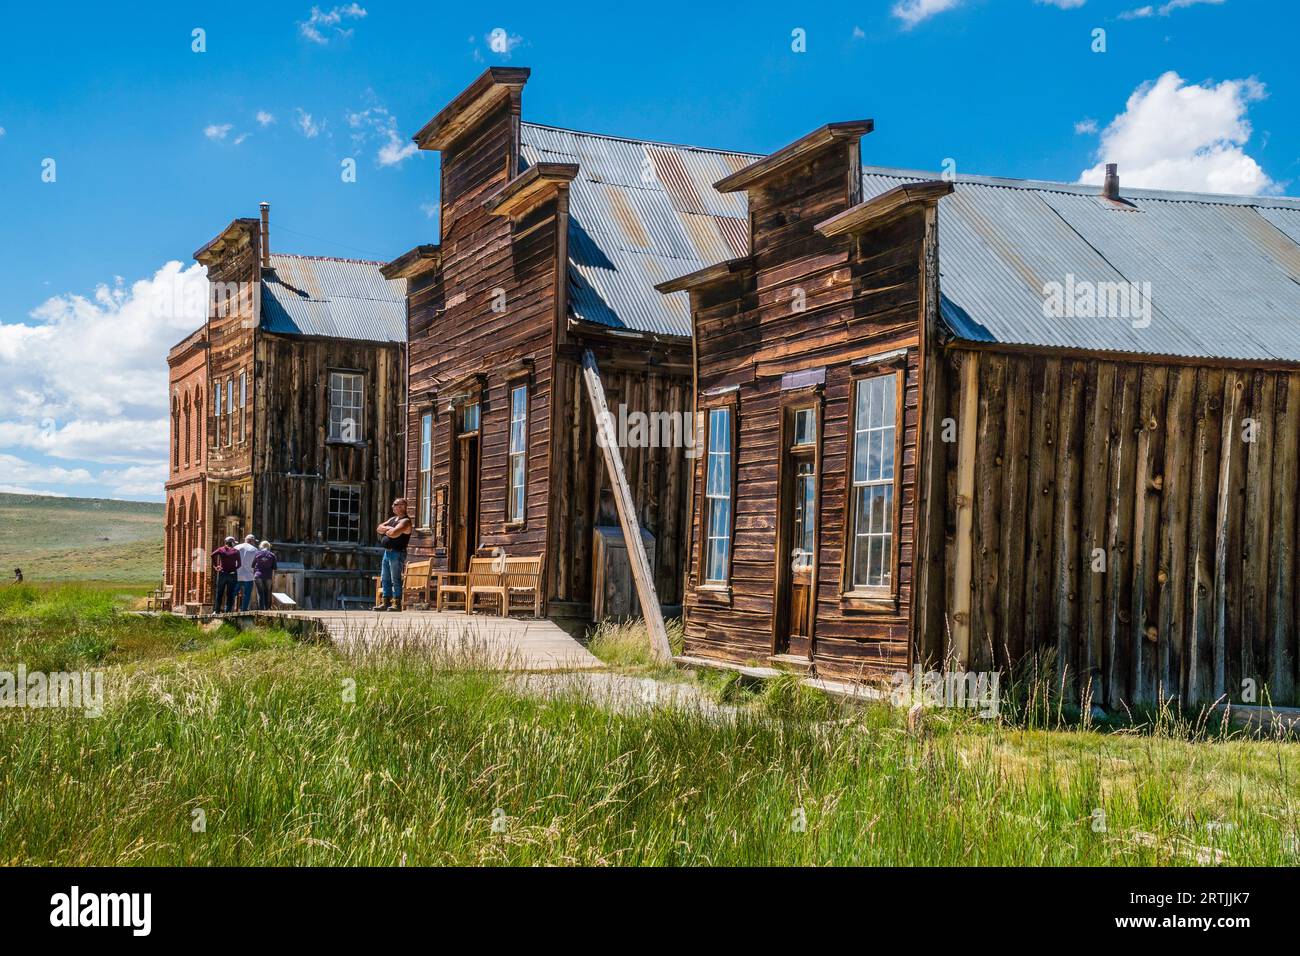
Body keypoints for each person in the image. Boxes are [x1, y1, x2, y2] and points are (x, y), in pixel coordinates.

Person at [373, 497, 412, 611]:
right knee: (385, 578)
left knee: (395, 578)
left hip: (397, 553)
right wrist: (388, 529)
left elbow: (394, 533)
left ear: (402, 506)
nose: (393, 506)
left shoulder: (405, 521)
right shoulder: (393, 519)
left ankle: (397, 603)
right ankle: (385, 602)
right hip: (387, 552)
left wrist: (390, 530)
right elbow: (379, 528)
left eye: (395, 504)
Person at [211, 537, 241, 613]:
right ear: (232, 543)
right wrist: (234, 569)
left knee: (219, 592)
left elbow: (212, 555)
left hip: (222, 573)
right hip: (232, 575)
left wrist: (216, 566)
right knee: (230, 593)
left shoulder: (221, 549)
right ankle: (228, 611)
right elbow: (239, 564)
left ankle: (217, 610)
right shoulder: (236, 551)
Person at [235, 534, 259, 611]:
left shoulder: (236, 547)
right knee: (247, 594)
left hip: (237, 574)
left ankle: (228, 608)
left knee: (233, 593)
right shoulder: (255, 550)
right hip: (249, 575)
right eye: (254, 541)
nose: (254, 543)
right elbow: (256, 563)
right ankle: (244, 609)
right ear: (252, 541)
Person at [253, 540, 277, 610]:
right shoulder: (272, 555)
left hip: (258, 575)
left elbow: (252, 565)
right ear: (269, 546)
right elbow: (274, 568)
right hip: (268, 576)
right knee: (267, 592)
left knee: (260, 592)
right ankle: (267, 608)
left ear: (261, 546)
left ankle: (261, 609)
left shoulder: (257, 554)